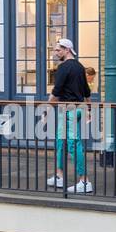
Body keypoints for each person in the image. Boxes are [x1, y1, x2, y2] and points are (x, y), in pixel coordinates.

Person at [46, 37, 92, 194]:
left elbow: (56, 91)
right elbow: (86, 91)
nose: (55, 52)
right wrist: (88, 110)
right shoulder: (79, 67)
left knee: (73, 143)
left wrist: (46, 108)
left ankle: (84, 181)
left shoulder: (63, 67)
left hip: (69, 110)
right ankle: (59, 176)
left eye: (58, 50)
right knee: (61, 141)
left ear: (67, 50)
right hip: (76, 109)